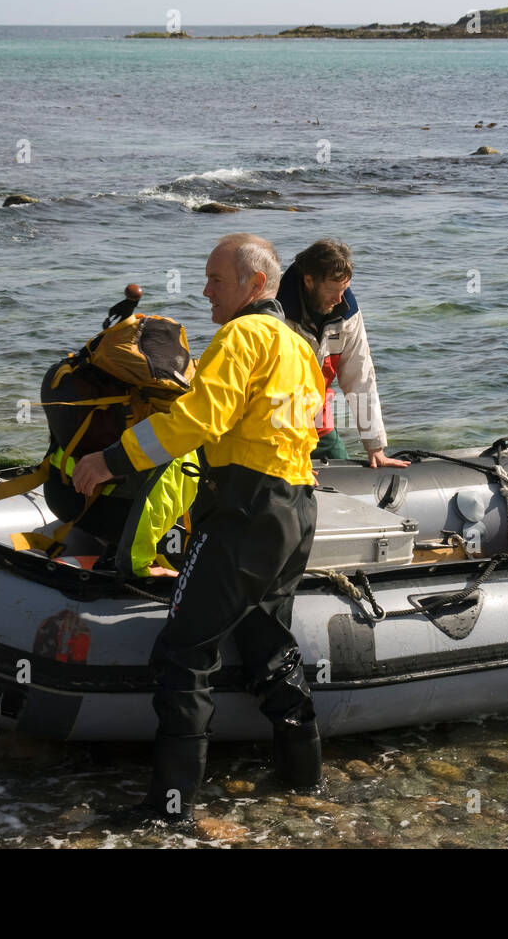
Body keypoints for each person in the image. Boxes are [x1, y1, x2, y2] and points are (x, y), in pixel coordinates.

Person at [72, 233, 326, 823]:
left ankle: (170, 807)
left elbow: (198, 418)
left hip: (245, 512)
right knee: (265, 643)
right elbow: (312, 424)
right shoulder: (299, 345)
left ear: (256, 284)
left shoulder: (242, 335)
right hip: (296, 507)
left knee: (184, 651)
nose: (205, 289)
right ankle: (304, 778)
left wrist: (110, 460)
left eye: (216, 278)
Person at [276, 238, 409, 469]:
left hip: (319, 422)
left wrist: (375, 447)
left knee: (343, 465)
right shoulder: (274, 312)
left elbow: (360, 377)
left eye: (344, 290)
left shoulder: (348, 312)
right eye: (332, 291)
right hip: (276, 426)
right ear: (308, 280)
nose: (339, 300)